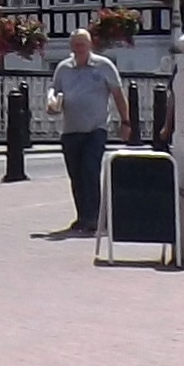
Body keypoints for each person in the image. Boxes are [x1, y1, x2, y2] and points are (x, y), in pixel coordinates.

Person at [48, 16, 129, 238]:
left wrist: (126, 121)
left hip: (96, 128)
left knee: (90, 171)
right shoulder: (63, 68)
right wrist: (52, 104)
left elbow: (118, 95)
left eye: (82, 44)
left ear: (90, 44)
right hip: (70, 130)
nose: (79, 48)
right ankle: (82, 216)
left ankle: (94, 218)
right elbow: (55, 92)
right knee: (76, 175)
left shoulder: (104, 66)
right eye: (75, 45)